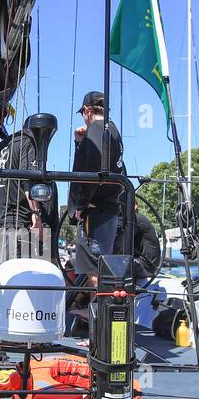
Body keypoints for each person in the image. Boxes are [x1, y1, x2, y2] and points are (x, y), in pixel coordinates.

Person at [69, 91, 126, 285]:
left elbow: (92, 168)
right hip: (109, 208)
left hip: (95, 211)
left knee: (93, 269)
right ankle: (96, 310)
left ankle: (100, 313)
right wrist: (80, 141)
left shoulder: (95, 129)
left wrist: (80, 204)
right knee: (100, 265)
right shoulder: (113, 130)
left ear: (87, 110)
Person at [0, 125, 46, 259]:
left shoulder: (0, 147)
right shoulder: (27, 141)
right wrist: (36, 214)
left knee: (6, 271)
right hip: (19, 222)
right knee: (19, 274)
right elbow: (28, 180)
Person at [115, 199, 162, 286]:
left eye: (119, 205)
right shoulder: (139, 219)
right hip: (146, 264)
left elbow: (118, 245)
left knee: (103, 266)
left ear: (134, 206)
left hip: (145, 266)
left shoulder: (137, 219)